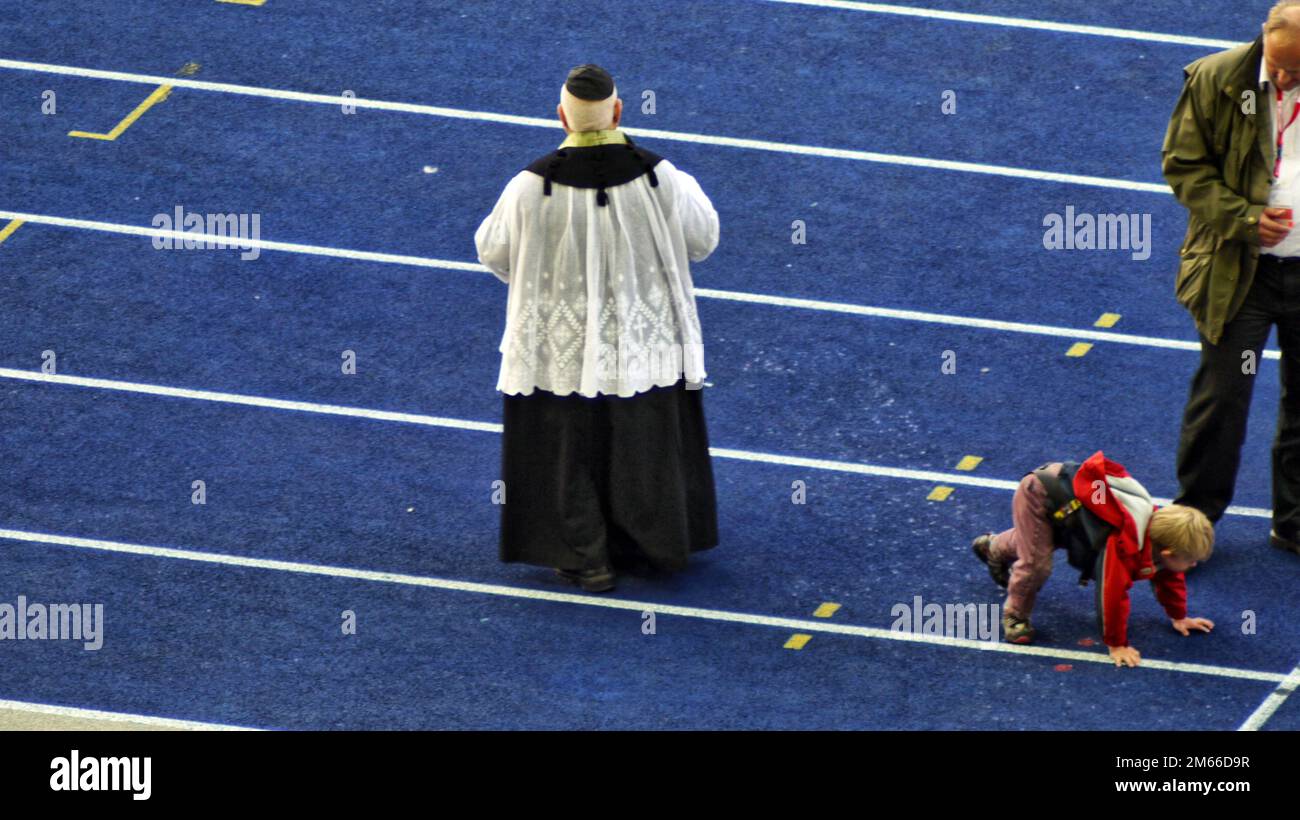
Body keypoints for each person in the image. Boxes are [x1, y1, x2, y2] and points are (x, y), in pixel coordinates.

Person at [474, 64, 721, 592]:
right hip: (643, 337)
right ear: (619, 112)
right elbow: (702, 241)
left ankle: (585, 557)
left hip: (559, 344)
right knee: (643, 438)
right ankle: (652, 543)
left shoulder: (529, 186)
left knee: (566, 445)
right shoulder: (660, 176)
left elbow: (493, 253)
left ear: (562, 118)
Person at [1163, 0, 1300, 556]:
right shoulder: (1216, 79)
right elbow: (1184, 166)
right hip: (1239, 271)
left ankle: (1294, 523)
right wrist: (1244, 219)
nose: (1284, 80)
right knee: (1222, 400)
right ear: (1264, 40)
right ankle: (1192, 524)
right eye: (1279, 66)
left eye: (1298, 72)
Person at [971, 452, 1215, 667]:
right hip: (1041, 493)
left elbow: (1169, 578)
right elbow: (1111, 595)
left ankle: (993, 547)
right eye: (1191, 560)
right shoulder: (1124, 546)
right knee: (1036, 563)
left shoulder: (1161, 536)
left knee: (1038, 541)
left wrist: (1179, 616)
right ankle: (1015, 614)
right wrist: (1116, 644)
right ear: (1168, 553)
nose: (1193, 565)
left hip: (1070, 507)